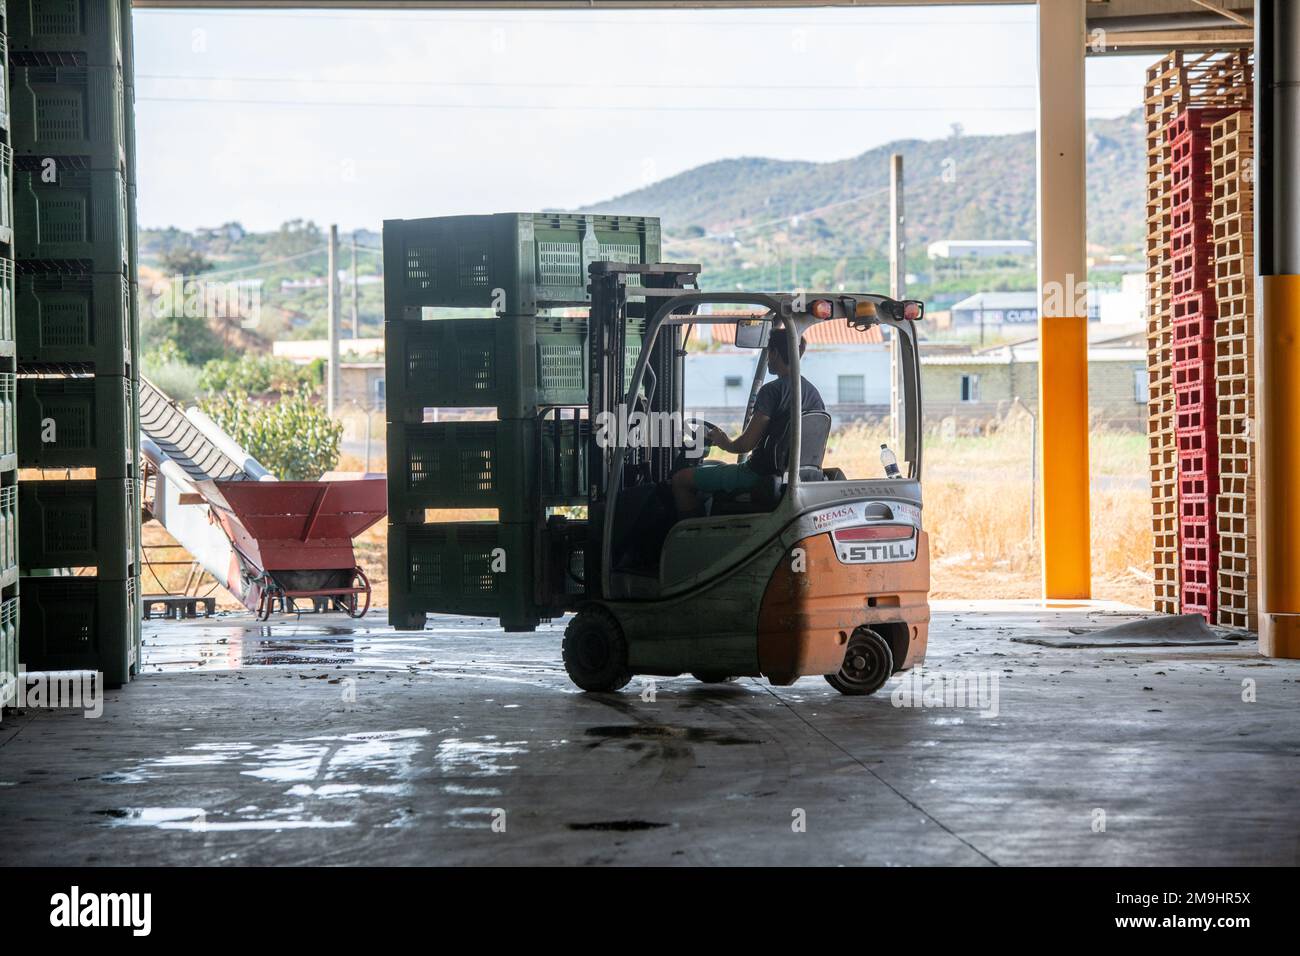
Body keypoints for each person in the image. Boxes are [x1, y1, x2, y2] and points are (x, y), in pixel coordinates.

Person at [672, 328, 825, 517]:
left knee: (681, 479)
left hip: (758, 475)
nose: (768, 358)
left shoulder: (772, 391)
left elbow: (745, 445)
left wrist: (723, 441)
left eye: (769, 352)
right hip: (793, 476)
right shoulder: (813, 393)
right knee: (715, 466)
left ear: (775, 352)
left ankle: (690, 540)